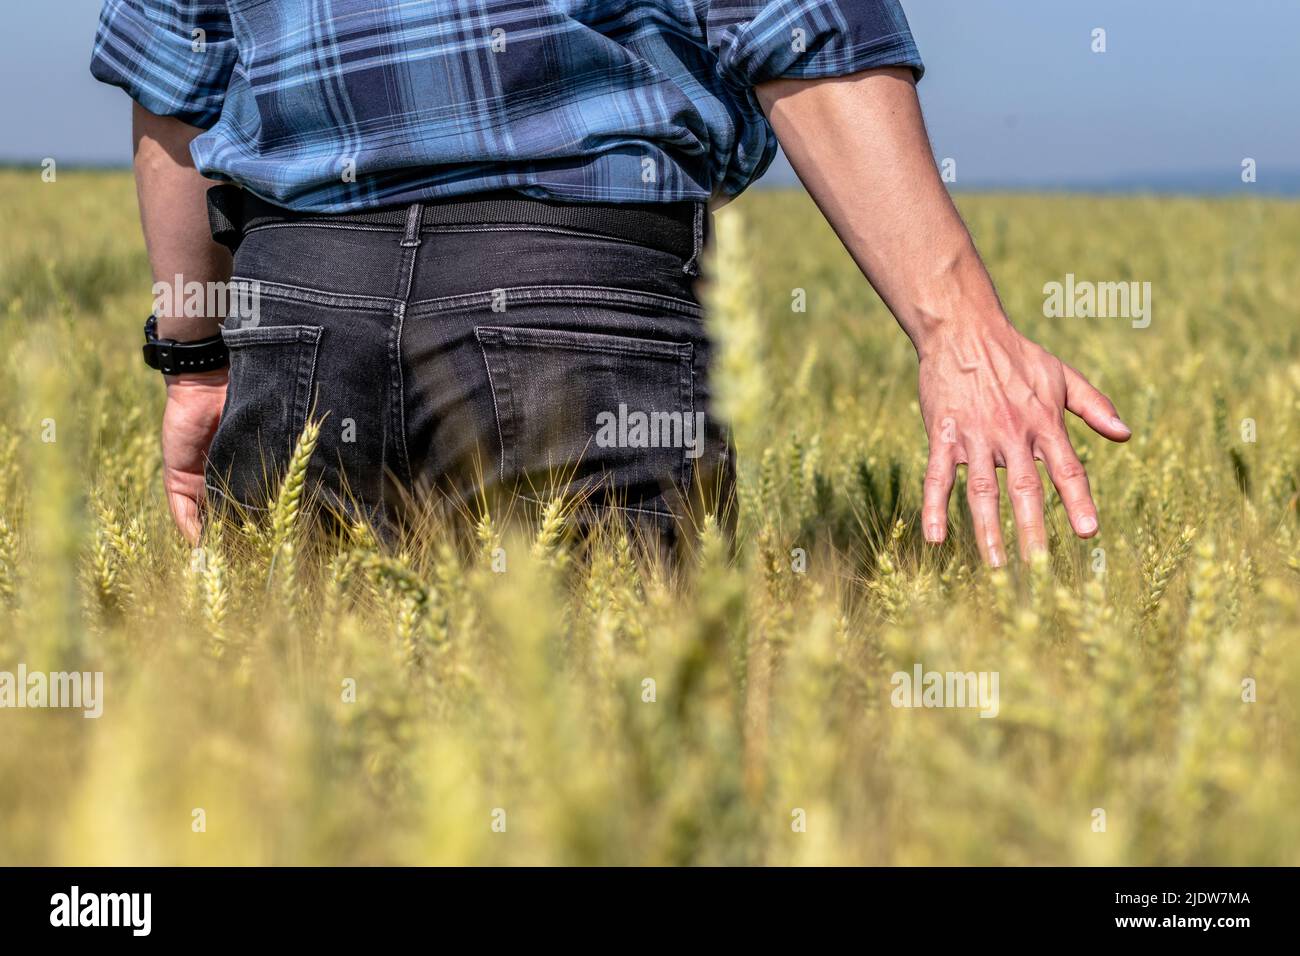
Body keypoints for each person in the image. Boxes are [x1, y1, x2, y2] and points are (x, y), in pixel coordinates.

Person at [92, 0, 1130, 565]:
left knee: (303, 761)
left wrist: (194, 356)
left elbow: (173, 78)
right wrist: (957, 323)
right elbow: (800, 25)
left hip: (301, 307)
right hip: (572, 298)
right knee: (610, 758)